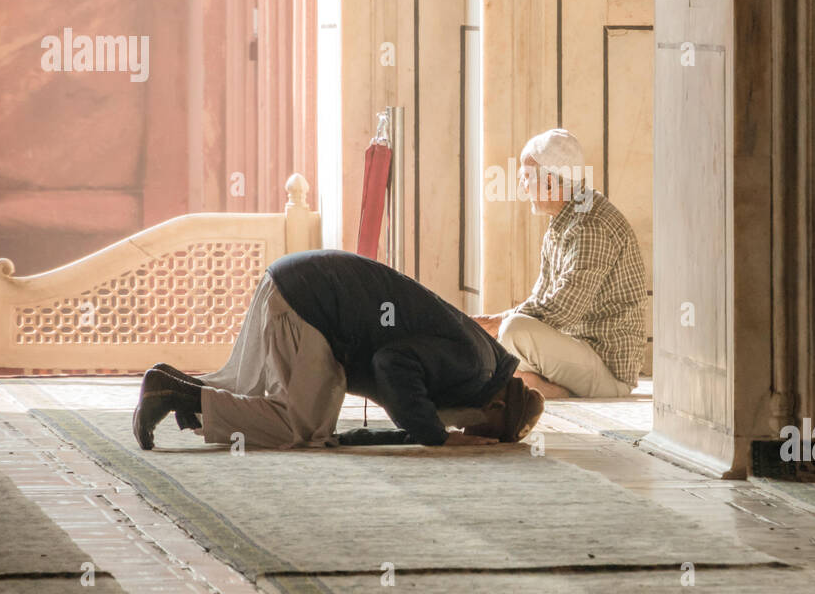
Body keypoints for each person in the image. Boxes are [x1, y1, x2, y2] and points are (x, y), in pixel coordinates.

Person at [132, 250, 544, 451]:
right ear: (495, 409)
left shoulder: (481, 361)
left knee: (255, 399)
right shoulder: (474, 369)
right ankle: (174, 394)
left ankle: (178, 387)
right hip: (312, 305)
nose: (467, 434)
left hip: (296, 285)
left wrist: (422, 433)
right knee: (301, 430)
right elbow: (392, 364)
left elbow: (403, 418)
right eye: (479, 433)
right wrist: (440, 440)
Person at [474, 128, 648, 399]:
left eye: (526, 178)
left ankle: (548, 388)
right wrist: (495, 325)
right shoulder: (563, 221)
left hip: (607, 368)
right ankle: (549, 389)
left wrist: (497, 322)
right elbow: (540, 298)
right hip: (577, 354)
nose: (522, 187)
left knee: (513, 331)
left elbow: (562, 309)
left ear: (550, 184)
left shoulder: (592, 225)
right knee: (498, 356)